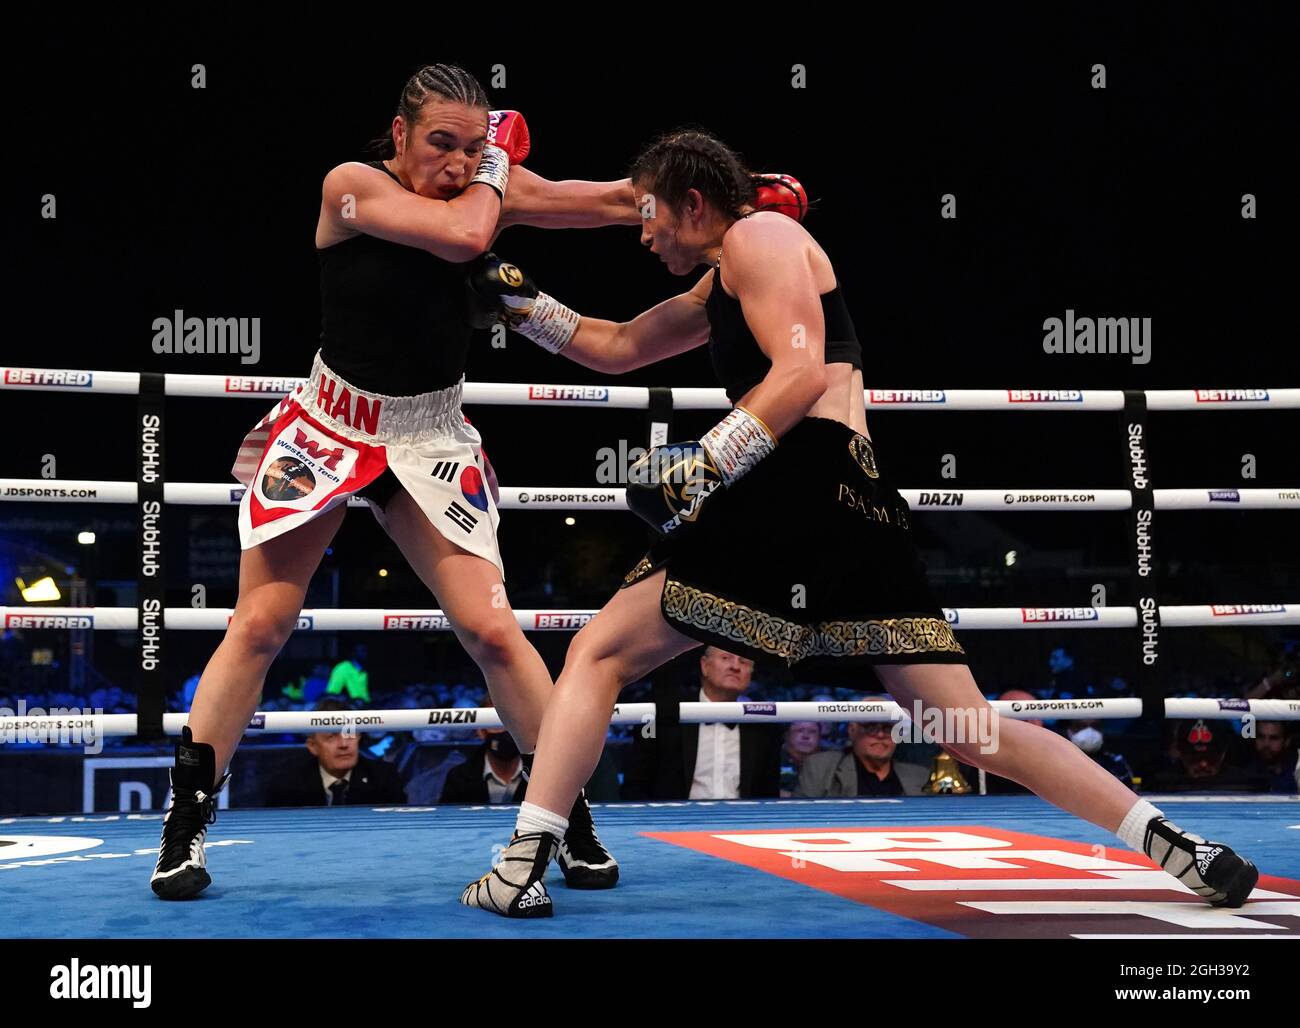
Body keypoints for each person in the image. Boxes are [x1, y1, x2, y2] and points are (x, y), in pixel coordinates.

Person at [457, 129, 1259, 918]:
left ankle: (523, 862)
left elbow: (800, 372)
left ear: (693, 201)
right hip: (856, 506)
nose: (643, 233)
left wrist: (704, 461)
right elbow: (621, 345)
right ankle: (1172, 844)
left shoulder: (762, 236)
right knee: (970, 726)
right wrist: (520, 303)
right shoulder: (726, 279)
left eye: (651, 215)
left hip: (791, 480)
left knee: (596, 652)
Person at [150, 64, 637, 900]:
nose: (456, 162)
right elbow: (460, 238)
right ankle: (184, 829)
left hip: (430, 435)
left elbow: (611, 203)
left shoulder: (487, 190)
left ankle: (564, 818)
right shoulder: (352, 186)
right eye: (440, 143)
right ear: (400, 132)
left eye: (472, 148)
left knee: (491, 630)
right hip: (330, 425)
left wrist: (729, 199)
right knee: (262, 622)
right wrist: (495, 174)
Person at [621, 647, 782, 800]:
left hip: (742, 821)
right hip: (674, 821)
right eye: (726, 658)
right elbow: (636, 784)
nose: (735, 666)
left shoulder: (763, 725)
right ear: (705, 665)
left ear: (751, 673)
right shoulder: (667, 715)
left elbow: (768, 793)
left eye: (744, 662)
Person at [265, 700, 406, 806]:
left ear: (359, 737)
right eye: (331, 737)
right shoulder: (287, 785)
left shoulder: (384, 778)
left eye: (350, 734)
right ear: (312, 746)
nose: (344, 745)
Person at [795, 719, 928, 797]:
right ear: (852, 730)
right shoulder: (821, 768)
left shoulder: (920, 776)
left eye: (888, 728)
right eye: (871, 727)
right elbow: (799, 817)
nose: (880, 735)